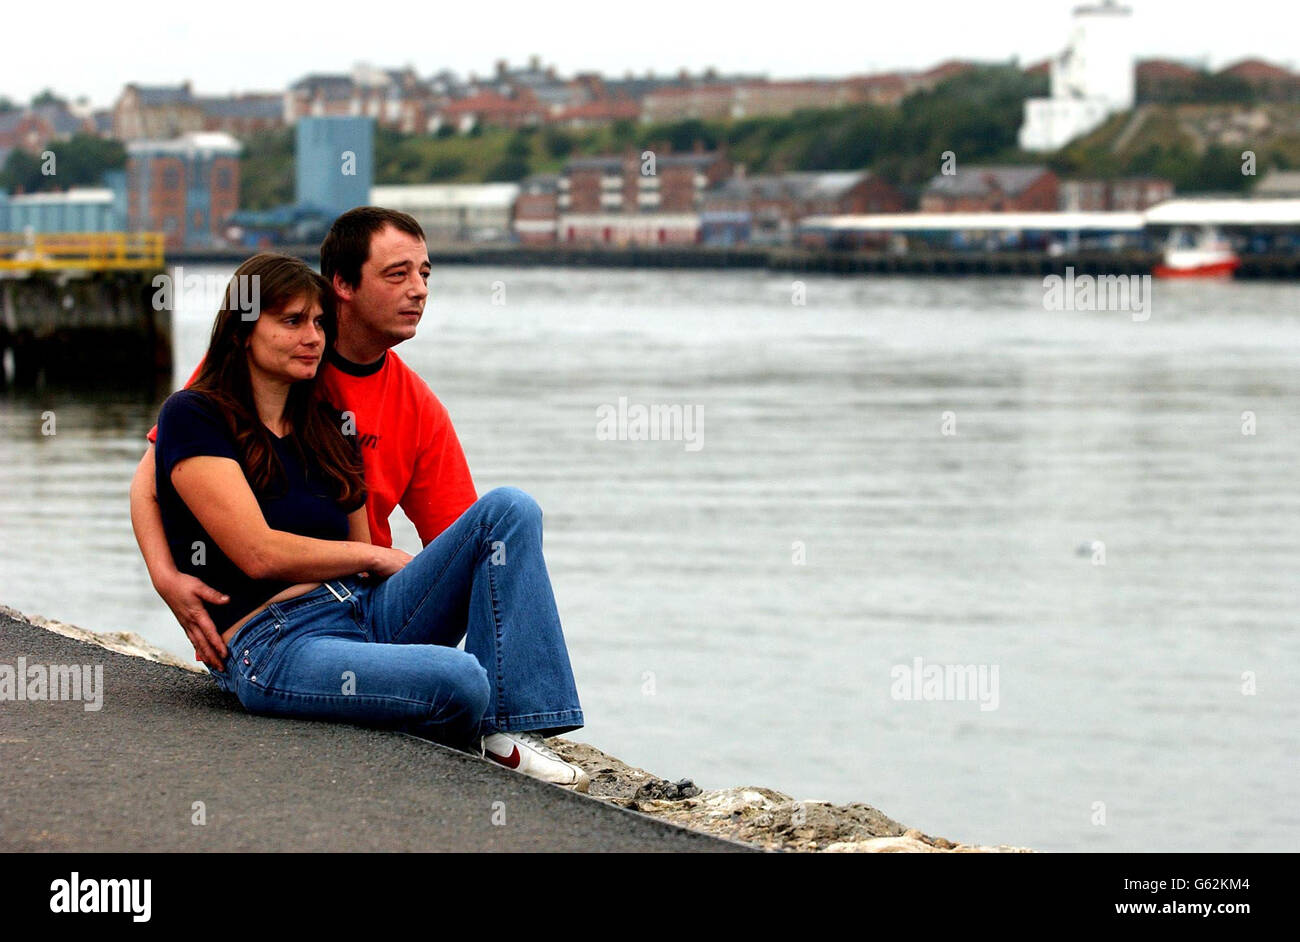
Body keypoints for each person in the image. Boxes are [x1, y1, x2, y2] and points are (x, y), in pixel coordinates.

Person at [132, 234, 587, 790]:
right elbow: (257, 554)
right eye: (293, 322)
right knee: (463, 678)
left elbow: (398, 561)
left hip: (362, 611)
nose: (312, 337)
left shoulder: (329, 424)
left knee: (509, 509)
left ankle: (510, 727)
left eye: (319, 323)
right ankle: (479, 721)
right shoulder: (196, 414)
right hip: (275, 643)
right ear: (245, 330)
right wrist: (166, 576)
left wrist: (384, 572)